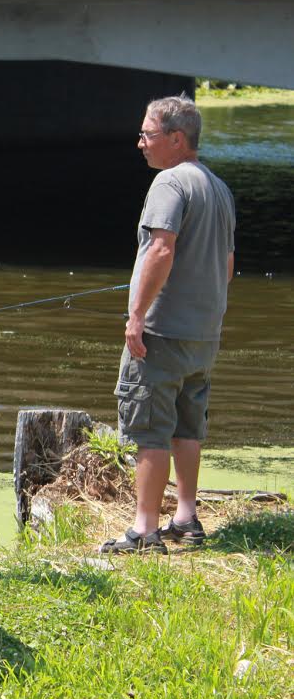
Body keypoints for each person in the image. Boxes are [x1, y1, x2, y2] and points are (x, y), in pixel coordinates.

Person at [100, 94, 235, 555]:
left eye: (148, 134)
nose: (140, 143)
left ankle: (143, 530)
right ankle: (186, 516)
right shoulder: (218, 187)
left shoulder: (170, 183)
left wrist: (136, 316)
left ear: (176, 139)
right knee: (187, 426)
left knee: (149, 429)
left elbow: (161, 248)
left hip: (161, 333)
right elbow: (228, 262)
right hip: (203, 334)